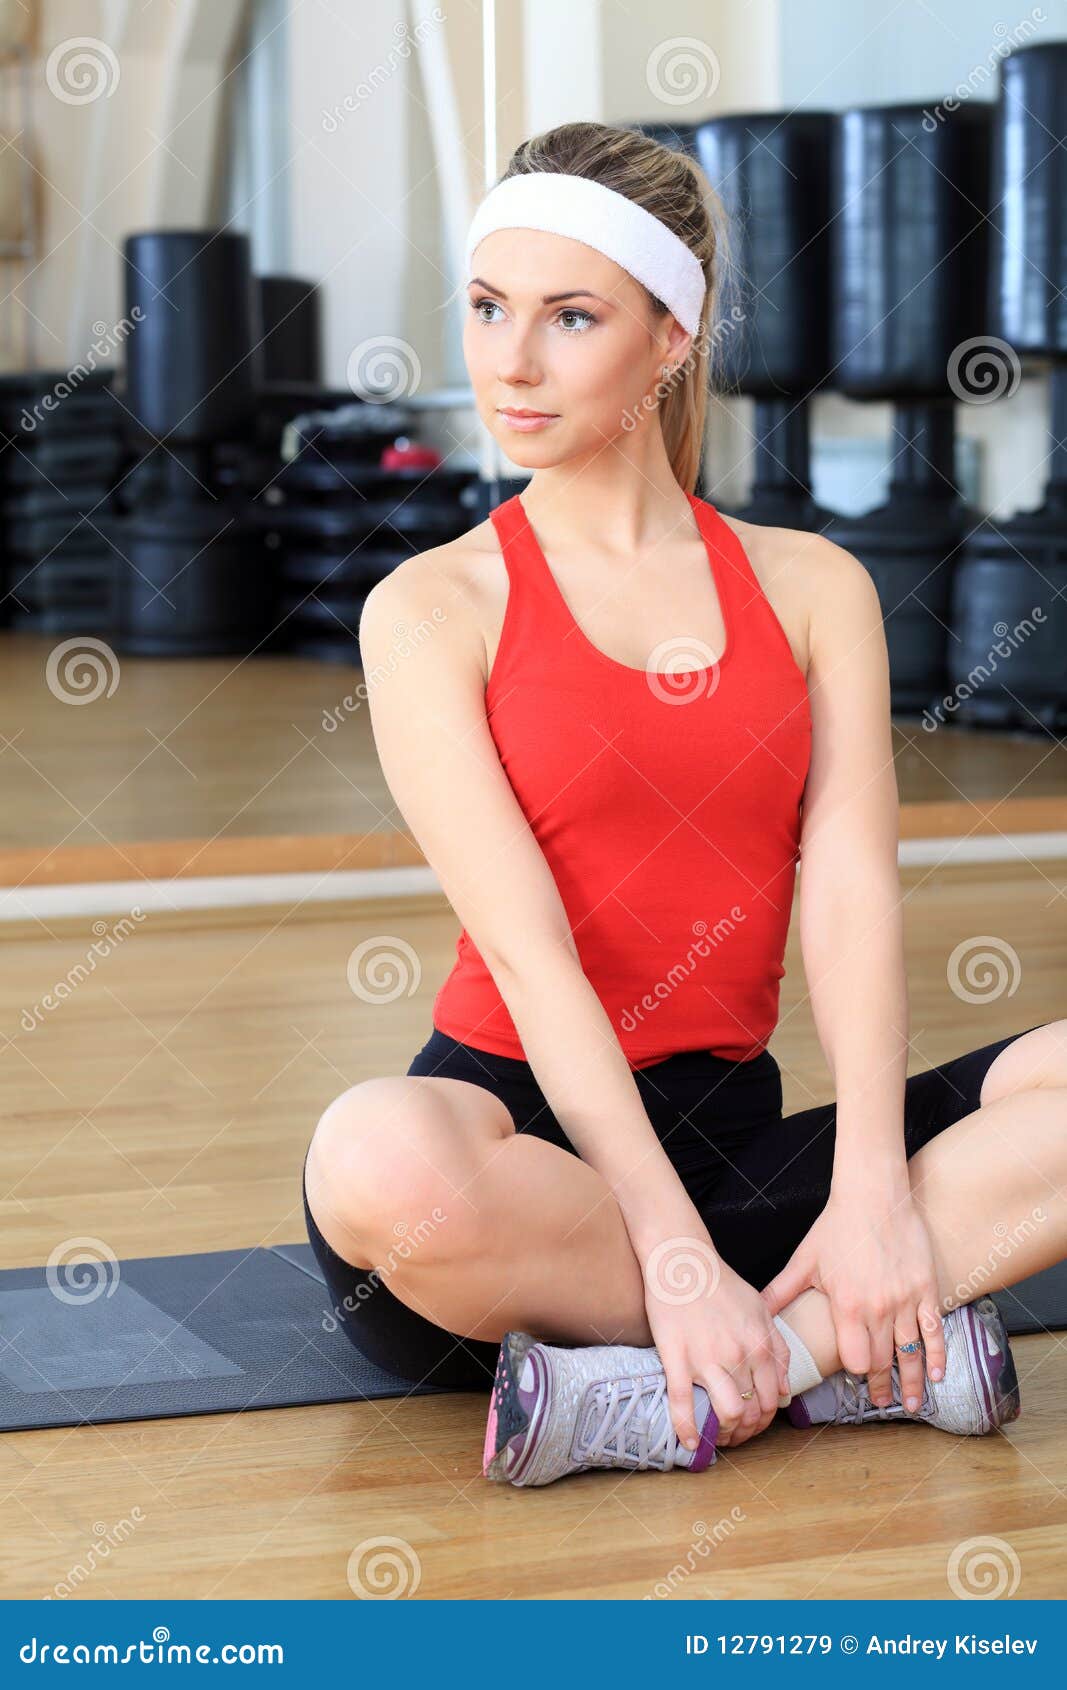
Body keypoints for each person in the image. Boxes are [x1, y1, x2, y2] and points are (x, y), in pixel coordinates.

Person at [302, 120, 1066, 1488]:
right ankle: (835, 1350)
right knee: (373, 1153)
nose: (509, 361)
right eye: (488, 308)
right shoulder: (431, 607)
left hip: (740, 1151)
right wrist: (665, 1252)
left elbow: (848, 891)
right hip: (517, 1180)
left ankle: (711, 1381)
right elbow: (531, 959)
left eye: (570, 317)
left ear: (670, 339)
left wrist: (874, 1189)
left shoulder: (810, 585)